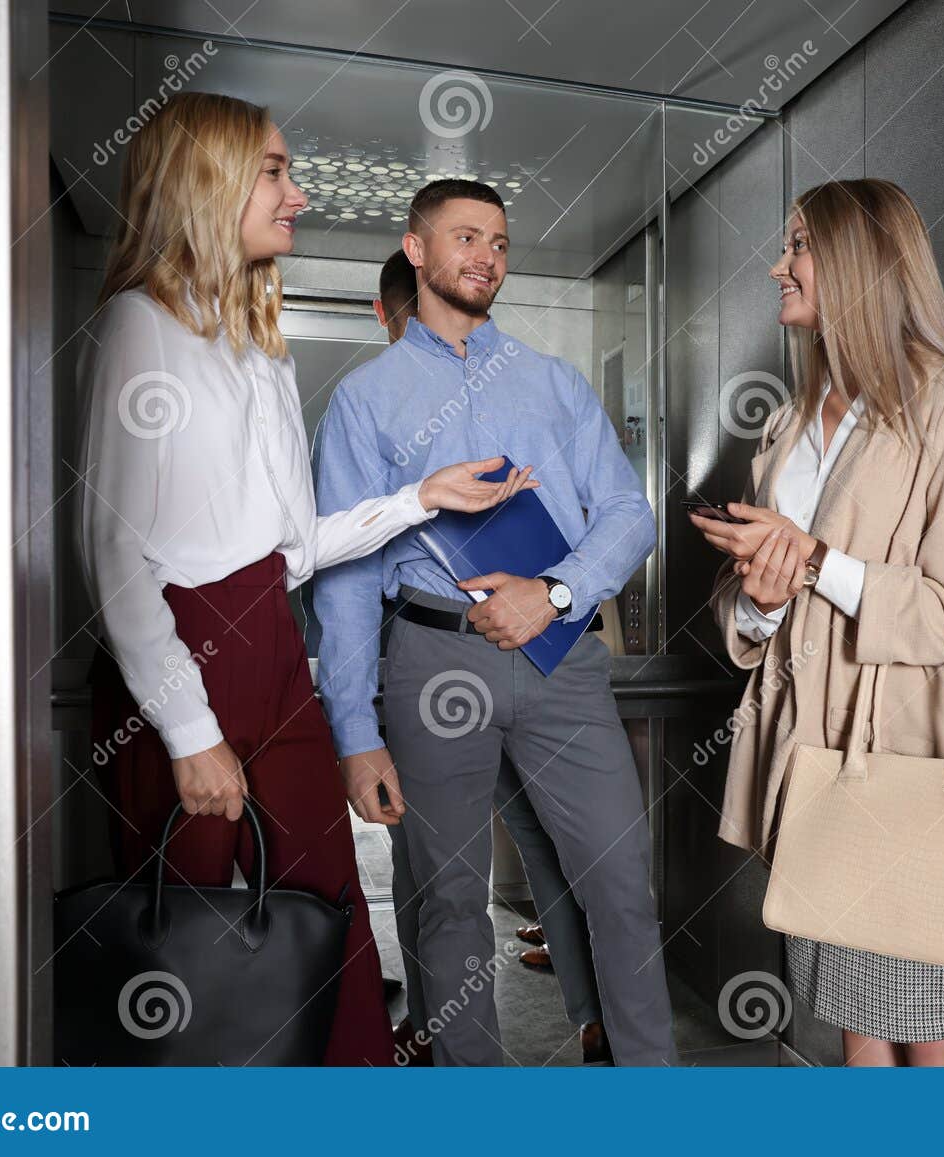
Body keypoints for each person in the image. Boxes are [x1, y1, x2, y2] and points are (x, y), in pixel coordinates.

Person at [75, 92, 536, 1067]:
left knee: (325, 906)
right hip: (182, 663)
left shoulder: (256, 342)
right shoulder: (137, 325)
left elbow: (285, 548)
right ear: (207, 183)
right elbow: (117, 553)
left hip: (272, 650)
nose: (298, 192)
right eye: (274, 172)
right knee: (199, 928)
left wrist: (419, 497)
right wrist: (191, 733)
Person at [313, 180, 676, 1067]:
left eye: (501, 243)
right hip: (432, 655)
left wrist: (554, 590)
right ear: (417, 249)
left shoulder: (555, 385)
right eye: (466, 237)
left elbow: (630, 513)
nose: (486, 257)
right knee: (446, 900)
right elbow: (348, 575)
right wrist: (356, 732)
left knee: (622, 882)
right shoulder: (363, 401)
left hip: (561, 657)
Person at [692, 178, 944, 1068]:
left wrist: (816, 562)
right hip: (807, 767)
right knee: (854, 1020)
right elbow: (757, 603)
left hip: (904, 766)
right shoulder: (791, 426)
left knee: (932, 1020)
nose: (778, 265)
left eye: (798, 245)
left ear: (858, 263)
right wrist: (758, 599)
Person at [370, 250, 609, 1066]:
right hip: (467, 658)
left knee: (437, 875)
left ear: (382, 316)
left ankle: (454, 1036)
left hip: (471, 657)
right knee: (520, 862)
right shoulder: (403, 405)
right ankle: (588, 1018)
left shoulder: (482, 399)